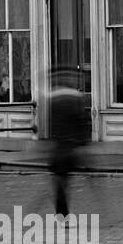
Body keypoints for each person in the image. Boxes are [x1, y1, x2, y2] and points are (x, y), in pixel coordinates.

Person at [46, 75, 92, 218]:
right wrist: (83, 143)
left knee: (60, 182)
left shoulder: (54, 101)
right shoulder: (76, 100)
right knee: (64, 182)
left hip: (59, 148)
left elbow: (52, 126)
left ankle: (62, 214)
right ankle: (62, 214)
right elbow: (83, 122)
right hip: (70, 147)